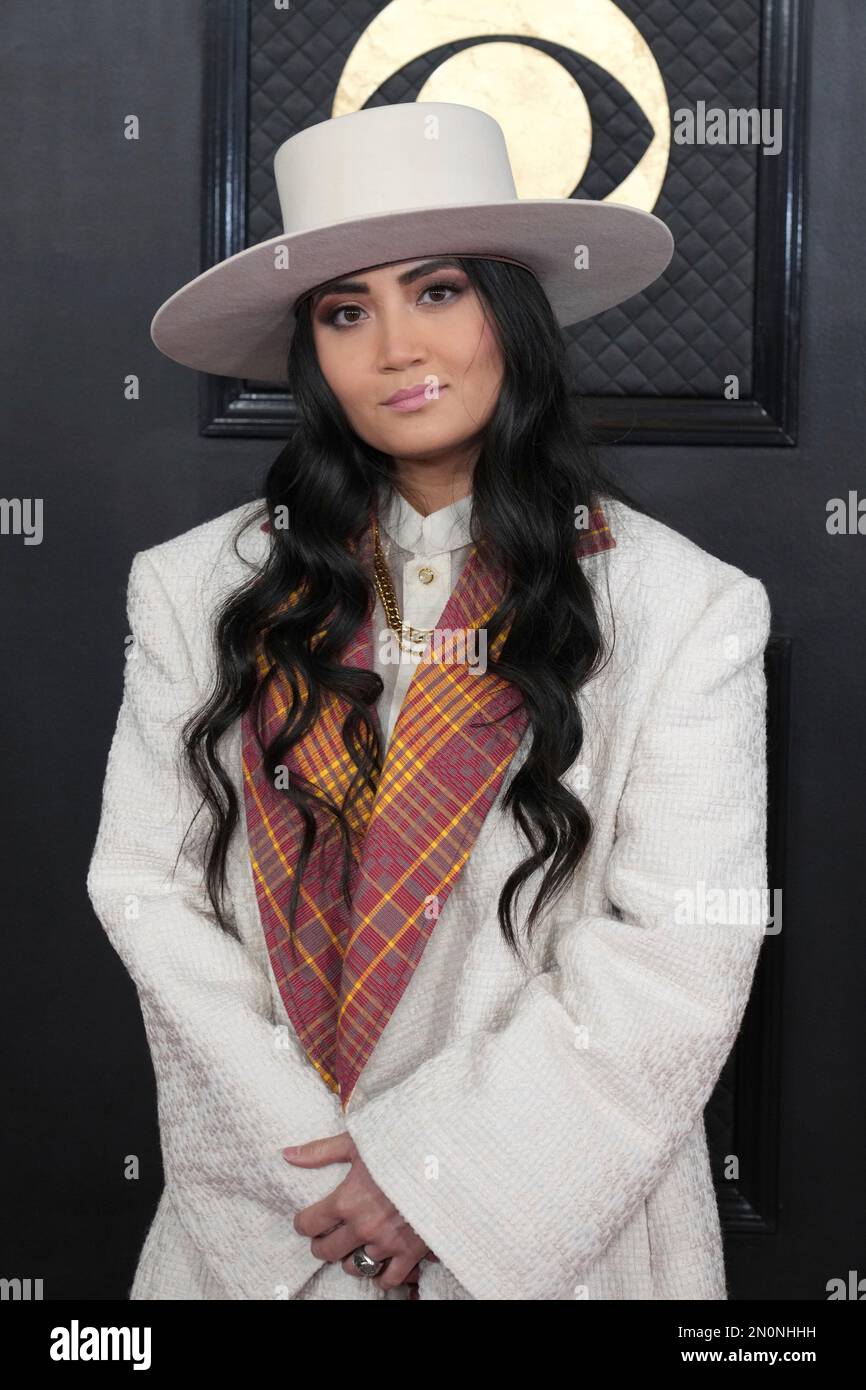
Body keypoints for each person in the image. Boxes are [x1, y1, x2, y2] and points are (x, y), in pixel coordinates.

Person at [86, 102, 772, 1301]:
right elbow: (145, 887)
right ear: (311, 351)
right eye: (346, 312)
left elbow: (679, 950)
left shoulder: (679, 604)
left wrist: (437, 1175)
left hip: (543, 1224)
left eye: (438, 290)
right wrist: (324, 1169)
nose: (397, 347)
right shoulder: (197, 588)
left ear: (509, 313)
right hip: (277, 1221)